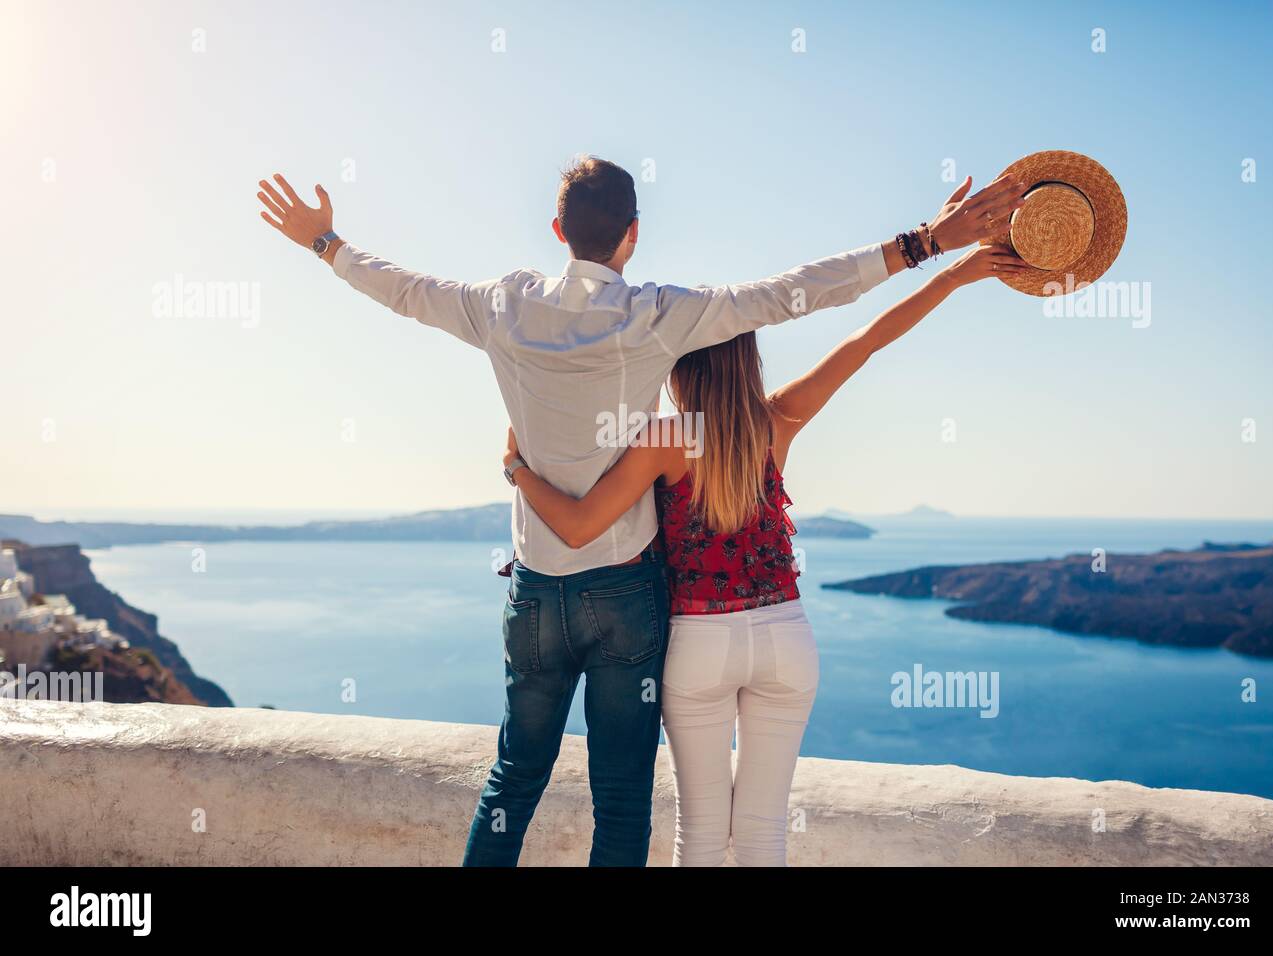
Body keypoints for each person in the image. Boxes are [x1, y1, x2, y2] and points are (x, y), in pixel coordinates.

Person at [256, 157, 1026, 866]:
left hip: (546, 594)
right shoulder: (688, 342)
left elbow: (404, 289)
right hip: (653, 604)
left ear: (558, 230)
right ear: (633, 233)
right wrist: (929, 246)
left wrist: (325, 243)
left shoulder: (512, 314)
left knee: (517, 778)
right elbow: (809, 298)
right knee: (635, 800)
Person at [502, 242, 1032, 865]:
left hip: (699, 646)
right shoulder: (777, 420)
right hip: (785, 639)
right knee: (763, 835)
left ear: (681, 364)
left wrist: (518, 469)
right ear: (747, 360)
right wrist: (959, 274)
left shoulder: (665, 440)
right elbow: (866, 341)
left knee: (699, 835)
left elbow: (578, 527)